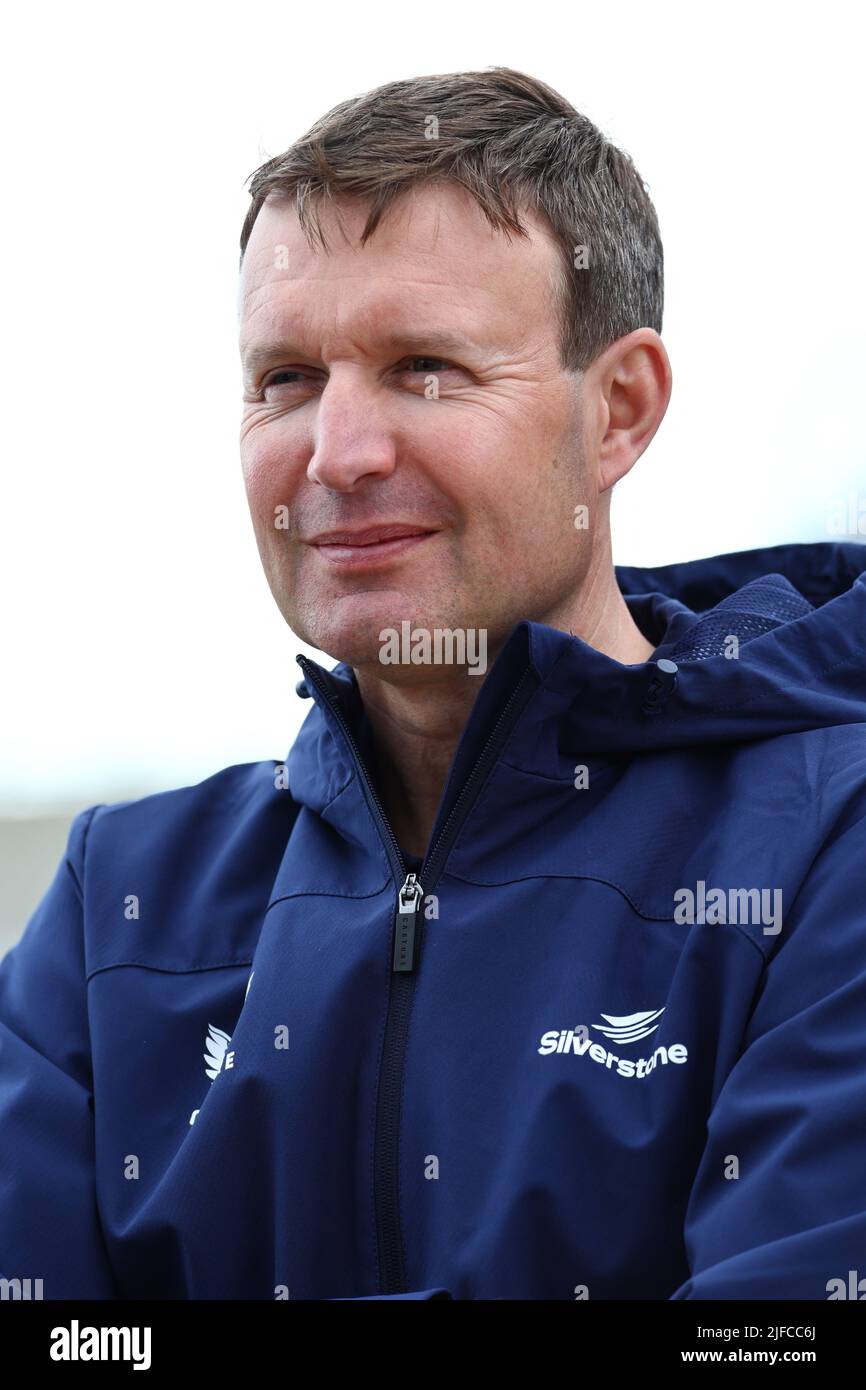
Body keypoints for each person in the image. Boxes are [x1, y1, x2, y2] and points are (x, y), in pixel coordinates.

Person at [2, 66, 865, 1302]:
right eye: (284, 380)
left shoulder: (822, 847)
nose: (336, 455)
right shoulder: (118, 911)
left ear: (615, 411)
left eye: (424, 369)